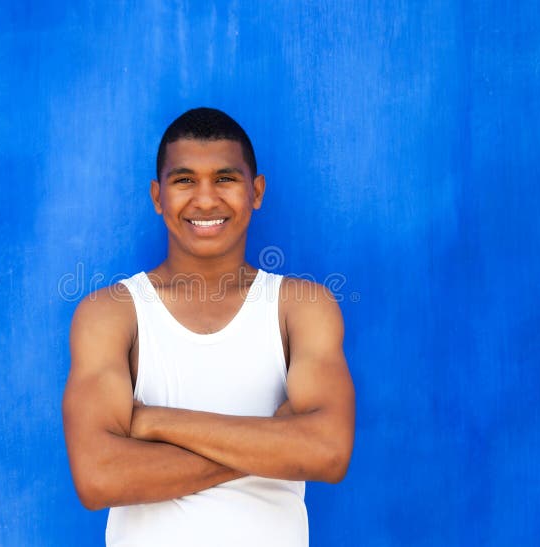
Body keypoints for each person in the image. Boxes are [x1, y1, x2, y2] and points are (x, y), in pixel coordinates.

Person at [62, 107, 355, 547]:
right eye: (184, 181)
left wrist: (156, 422)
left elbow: (328, 452)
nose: (204, 199)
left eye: (225, 179)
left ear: (256, 191)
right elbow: (99, 478)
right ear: (158, 196)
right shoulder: (111, 313)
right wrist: (277, 443)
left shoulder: (301, 307)